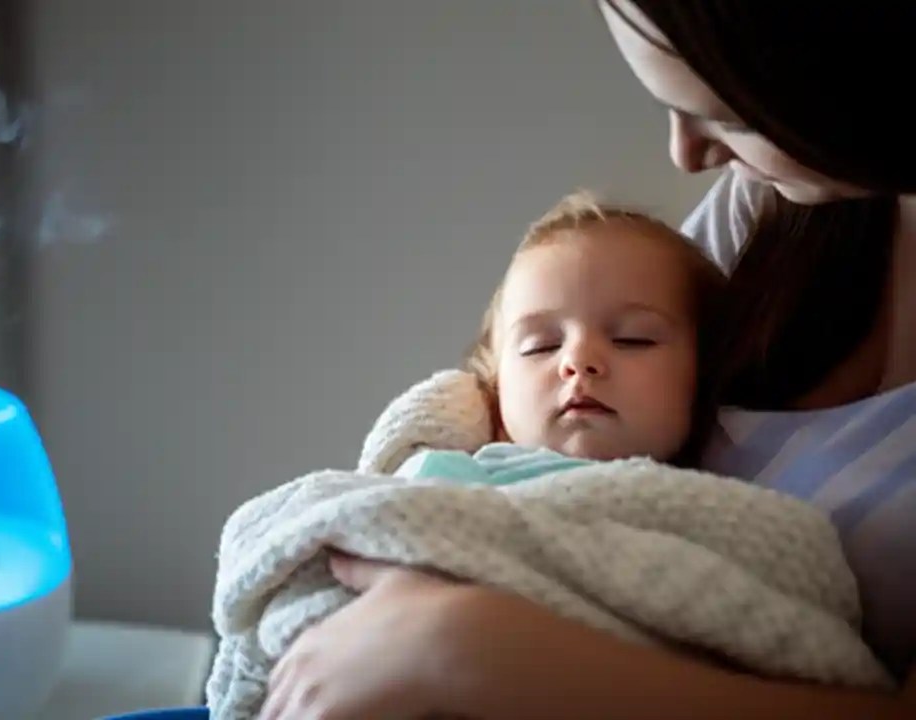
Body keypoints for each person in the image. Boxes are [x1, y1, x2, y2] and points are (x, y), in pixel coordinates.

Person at [257, 2, 916, 718]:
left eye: (732, 116)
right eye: (542, 345)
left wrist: (470, 646)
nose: (687, 156)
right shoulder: (772, 207)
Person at [396, 189, 725, 488]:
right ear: (495, 391)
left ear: (704, 370)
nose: (579, 359)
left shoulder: (726, 501)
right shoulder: (450, 482)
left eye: (632, 339)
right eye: (540, 346)